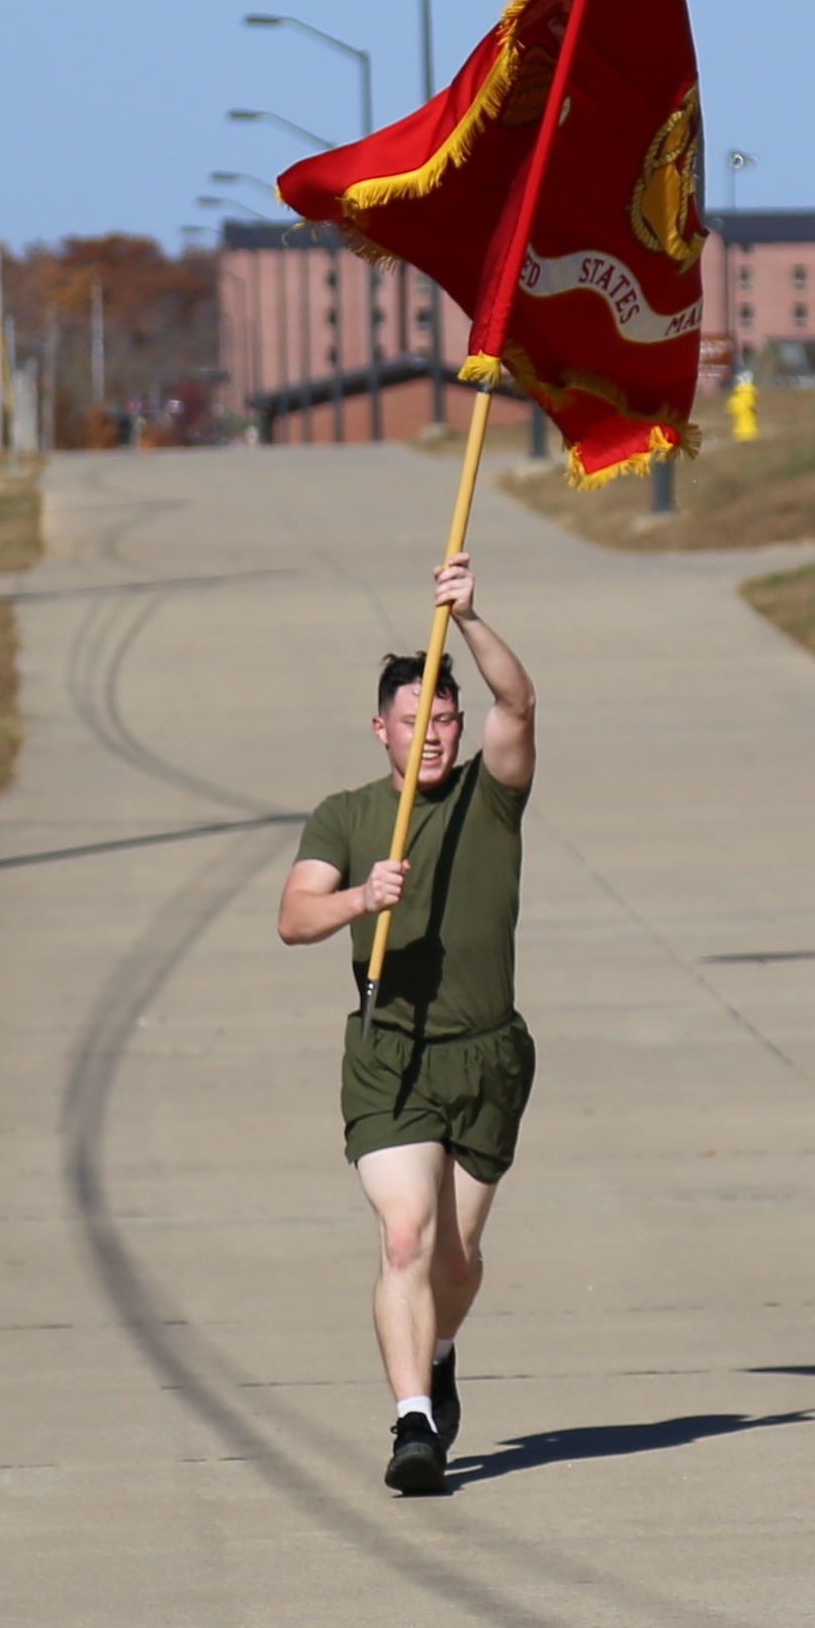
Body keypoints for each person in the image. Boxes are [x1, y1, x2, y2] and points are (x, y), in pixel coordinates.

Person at [275, 553, 538, 1496]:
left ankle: (442, 1349)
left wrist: (469, 618)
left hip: (486, 1056)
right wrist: (359, 900)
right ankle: (413, 1425)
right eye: (410, 720)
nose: (430, 734)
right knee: (404, 1238)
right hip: (390, 1055)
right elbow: (293, 918)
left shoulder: (490, 798)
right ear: (379, 729)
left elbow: (522, 705)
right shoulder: (347, 819)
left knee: (455, 1262)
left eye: (445, 718)